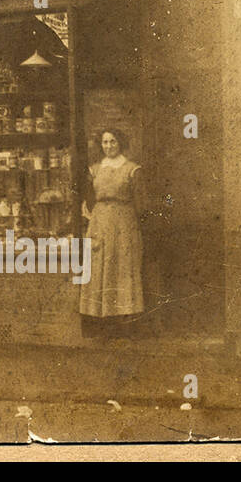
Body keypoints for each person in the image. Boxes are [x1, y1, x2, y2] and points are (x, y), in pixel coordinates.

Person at [78, 127, 145, 334]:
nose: (109, 146)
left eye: (113, 142)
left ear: (120, 143)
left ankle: (124, 322)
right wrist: (89, 216)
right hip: (99, 222)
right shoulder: (95, 169)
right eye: (105, 142)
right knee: (99, 267)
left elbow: (140, 203)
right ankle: (101, 320)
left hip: (123, 223)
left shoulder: (132, 169)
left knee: (122, 267)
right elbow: (86, 198)